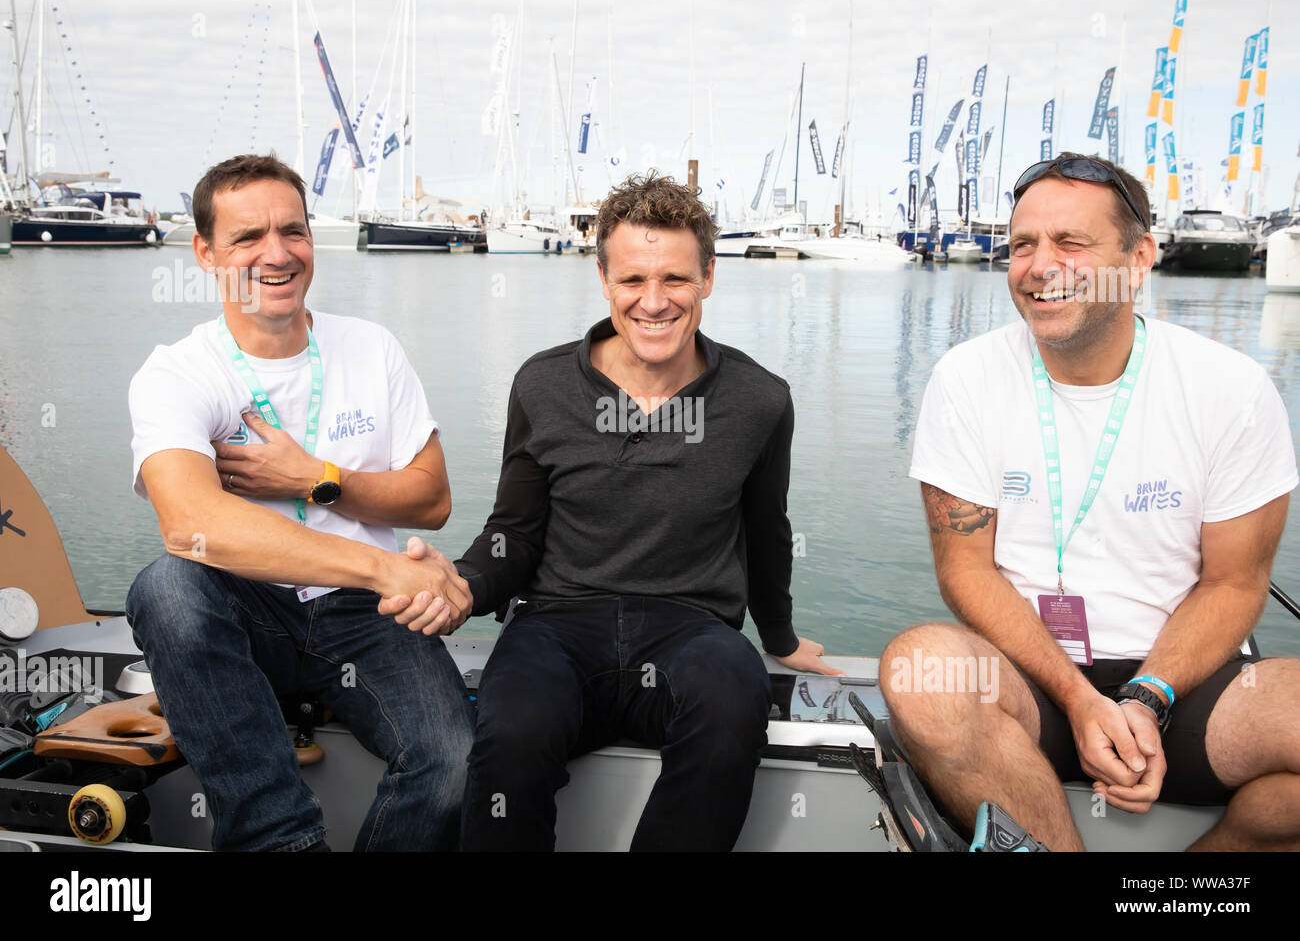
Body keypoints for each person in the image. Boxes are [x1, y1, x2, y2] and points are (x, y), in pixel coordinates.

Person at [399, 171, 841, 851]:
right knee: (511, 731)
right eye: (633, 281)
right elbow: (514, 533)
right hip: (555, 627)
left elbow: (766, 530)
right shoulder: (543, 384)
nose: (654, 302)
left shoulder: (760, 399)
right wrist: (462, 584)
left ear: (709, 279)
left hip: (690, 630)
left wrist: (778, 635)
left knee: (733, 698)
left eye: (676, 280)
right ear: (604, 280)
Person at [884, 152, 1299, 851]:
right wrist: (1078, 700)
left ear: (1138, 258)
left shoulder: (1230, 387)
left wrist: (1145, 696)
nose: (1041, 264)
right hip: (1030, 682)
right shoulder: (966, 378)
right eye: (1022, 245)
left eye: (1071, 242)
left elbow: (1235, 583)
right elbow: (966, 570)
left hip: (1183, 681)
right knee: (918, 669)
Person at [126, 154, 475, 851]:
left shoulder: (371, 348)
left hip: (364, 614)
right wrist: (389, 569)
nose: (277, 254)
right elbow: (190, 526)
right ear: (204, 252)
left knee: (453, 762)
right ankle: (281, 843)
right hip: (249, 605)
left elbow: (431, 499)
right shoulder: (178, 373)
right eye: (247, 238)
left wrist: (317, 477)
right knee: (168, 588)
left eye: (293, 230)